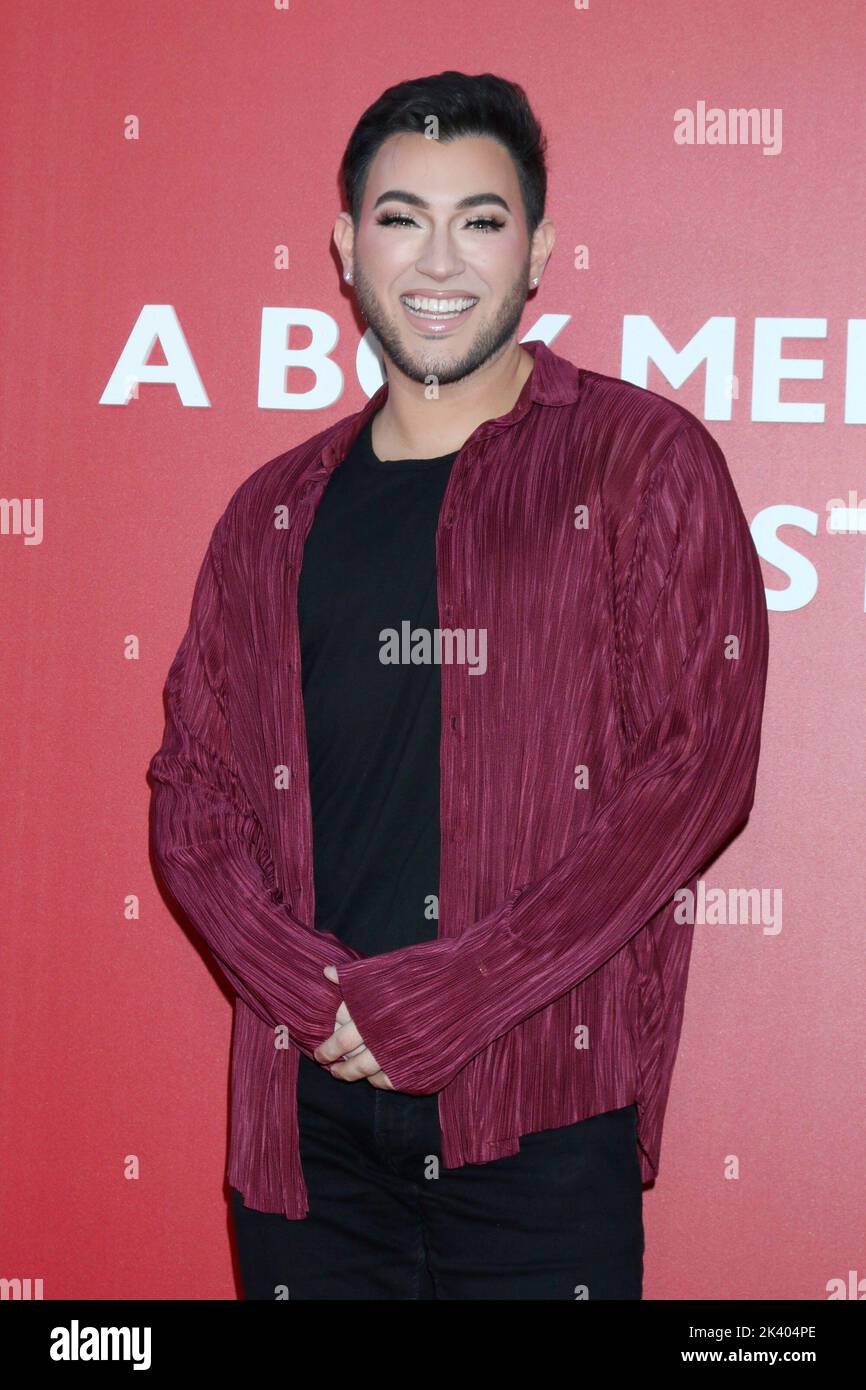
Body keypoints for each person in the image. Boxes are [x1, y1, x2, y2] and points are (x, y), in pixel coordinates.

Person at [147, 71, 770, 1300]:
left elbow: (697, 769)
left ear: (537, 249)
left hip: (538, 1122)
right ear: (344, 246)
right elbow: (192, 793)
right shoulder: (270, 513)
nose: (439, 258)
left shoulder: (642, 463)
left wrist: (459, 992)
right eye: (401, 216)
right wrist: (316, 990)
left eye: (479, 219)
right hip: (305, 1137)